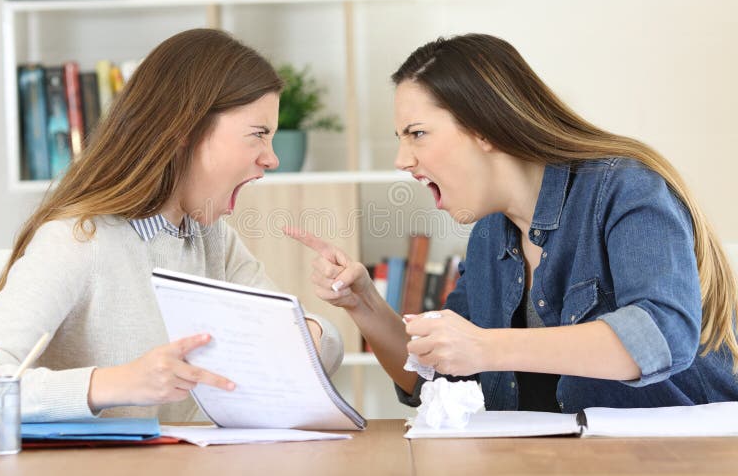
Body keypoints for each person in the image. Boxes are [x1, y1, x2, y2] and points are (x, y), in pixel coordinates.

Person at [287, 33, 738, 413]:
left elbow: (662, 336)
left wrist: (488, 346)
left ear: (485, 128)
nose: (402, 160)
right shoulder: (491, 234)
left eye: (418, 133)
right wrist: (363, 301)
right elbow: (436, 378)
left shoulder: (625, 189)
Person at [0, 29, 342, 422]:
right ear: (186, 129)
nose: (271, 159)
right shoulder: (79, 239)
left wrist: (304, 334)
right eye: (258, 135)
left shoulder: (211, 239)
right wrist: (115, 383)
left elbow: (326, 349)